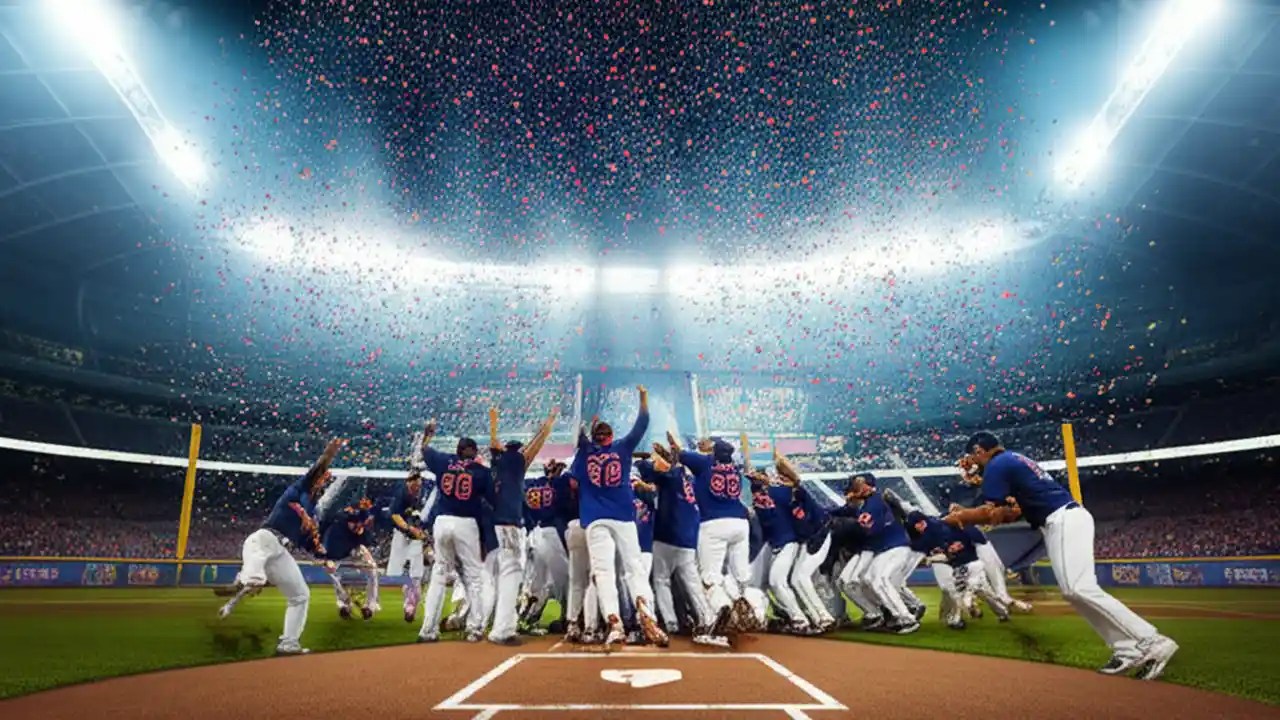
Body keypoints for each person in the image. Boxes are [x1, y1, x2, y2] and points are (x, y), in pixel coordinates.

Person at [943, 431, 1178, 680]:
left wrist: (960, 517)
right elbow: (1008, 513)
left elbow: (990, 513)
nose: (972, 463)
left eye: (973, 457)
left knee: (1080, 588)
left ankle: (1152, 642)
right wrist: (969, 512)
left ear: (980, 450)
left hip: (1063, 518)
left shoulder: (997, 464)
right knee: (1074, 591)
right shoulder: (1011, 461)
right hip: (1061, 519)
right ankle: (1128, 650)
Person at [218, 438, 345, 655]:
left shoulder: (314, 512)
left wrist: (325, 556)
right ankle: (245, 580)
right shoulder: (300, 490)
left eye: (325, 479)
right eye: (323, 477)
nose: (323, 480)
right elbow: (316, 469)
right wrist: (328, 455)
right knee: (256, 571)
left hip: (280, 551)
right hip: (264, 538)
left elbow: (312, 545)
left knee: (300, 595)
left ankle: (288, 644)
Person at [574, 386, 667, 648]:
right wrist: (643, 398)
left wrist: (584, 434)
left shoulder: (585, 453)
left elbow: (575, 467)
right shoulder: (623, 448)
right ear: (611, 435)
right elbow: (643, 422)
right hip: (624, 516)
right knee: (633, 567)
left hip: (594, 518)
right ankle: (647, 615)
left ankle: (614, 624)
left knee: (603, 572)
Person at [670, 432, 761, 634]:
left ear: (713, 452)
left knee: (709, 578)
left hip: (713, 524)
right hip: (740, 523)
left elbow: (677, 453)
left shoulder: (704, 463)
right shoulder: (735, 468)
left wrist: (674, 444)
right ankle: (756, 612)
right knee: (741, 576)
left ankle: (721, 610)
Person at [416, 420, 495, 643]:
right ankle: (475, 628)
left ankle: (427, 629)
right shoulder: (480, 472)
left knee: (439, 576)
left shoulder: (443, 461)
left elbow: (424, 450)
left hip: (442, 521)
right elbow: (492, 499)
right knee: (473, 576)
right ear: (475, 453)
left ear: (457, 451)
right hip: (466, 522)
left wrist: (428, 434)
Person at [487, 406, 559, 645]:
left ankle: (481, 624)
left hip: (493, 526)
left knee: (495, 577)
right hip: (509, 525)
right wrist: (549, 420)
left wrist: (494, 420)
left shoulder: (496, 462)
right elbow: (538, 441)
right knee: (511, 575)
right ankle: (502, 630)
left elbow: (494, 441)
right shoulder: (517, 461)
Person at [907, 510, 1008, 629]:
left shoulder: (953, 528)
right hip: (950, 562)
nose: (918, 526)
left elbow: (955, 549)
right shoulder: (928, 532)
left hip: (964, 562)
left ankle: (1000, 611)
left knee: (981, 589)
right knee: (950, 589)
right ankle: (955, 619)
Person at [774, 449, 836, 632]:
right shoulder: (791, 497)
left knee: (801, 576)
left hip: (820, 536)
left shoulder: (799, 492)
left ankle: (824, 617)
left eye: (782, 479)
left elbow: (794, 479)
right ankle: (818, 618)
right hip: (808, 539)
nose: (779, 482)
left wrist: (780, 462)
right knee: (795, 579)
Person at [519, 458, 570, 633]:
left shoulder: (531, 483)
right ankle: (569, 618)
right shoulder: (559, 484)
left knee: (537, 580)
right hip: (551, 533)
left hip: (534, 532)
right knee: (563, 580)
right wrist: (556, 476)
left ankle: (527, 618)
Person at [386, 468, 428, 622]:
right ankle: (409, 602)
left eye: (419, 484)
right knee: (399, 569)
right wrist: (410, 529)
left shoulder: (418, 495)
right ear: (408, 482)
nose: (417, 487)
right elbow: (395, 515)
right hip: (402, 535)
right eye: (415, 484)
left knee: (417, 573)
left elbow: (418, 517)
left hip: (414, 536)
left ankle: (411, 605)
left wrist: (420, 532)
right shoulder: (401, 493)